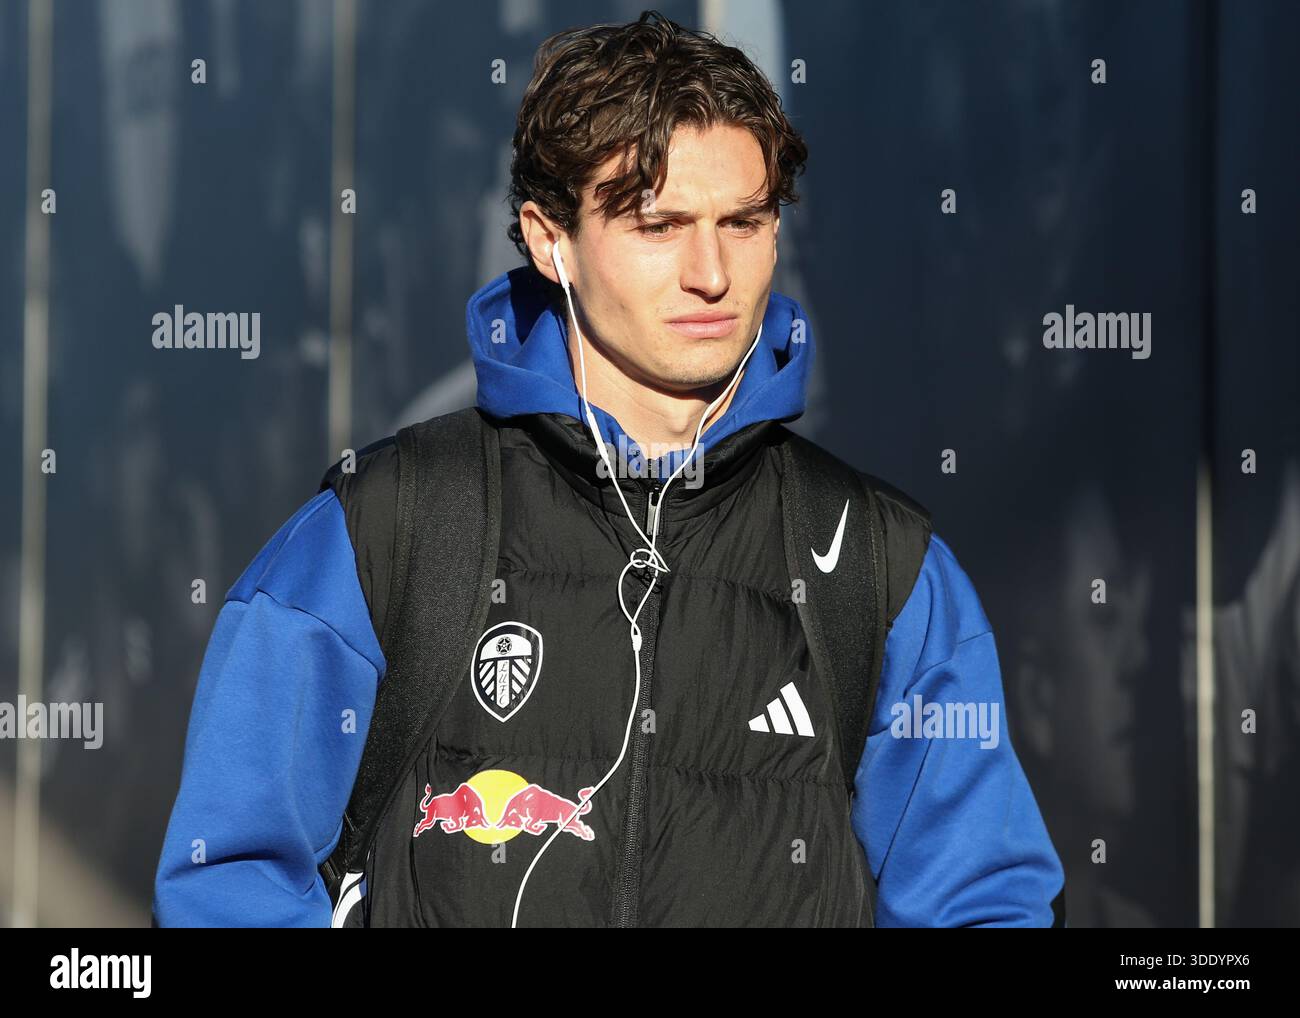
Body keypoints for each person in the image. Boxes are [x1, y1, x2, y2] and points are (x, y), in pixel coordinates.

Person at [154, 10, 1064, 928]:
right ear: (551, 240)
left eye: (743, 222)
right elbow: (224, 887)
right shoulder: (386, 527)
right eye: (658, 224)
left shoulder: (881, 566)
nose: (711, 273)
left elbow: (988, 905)